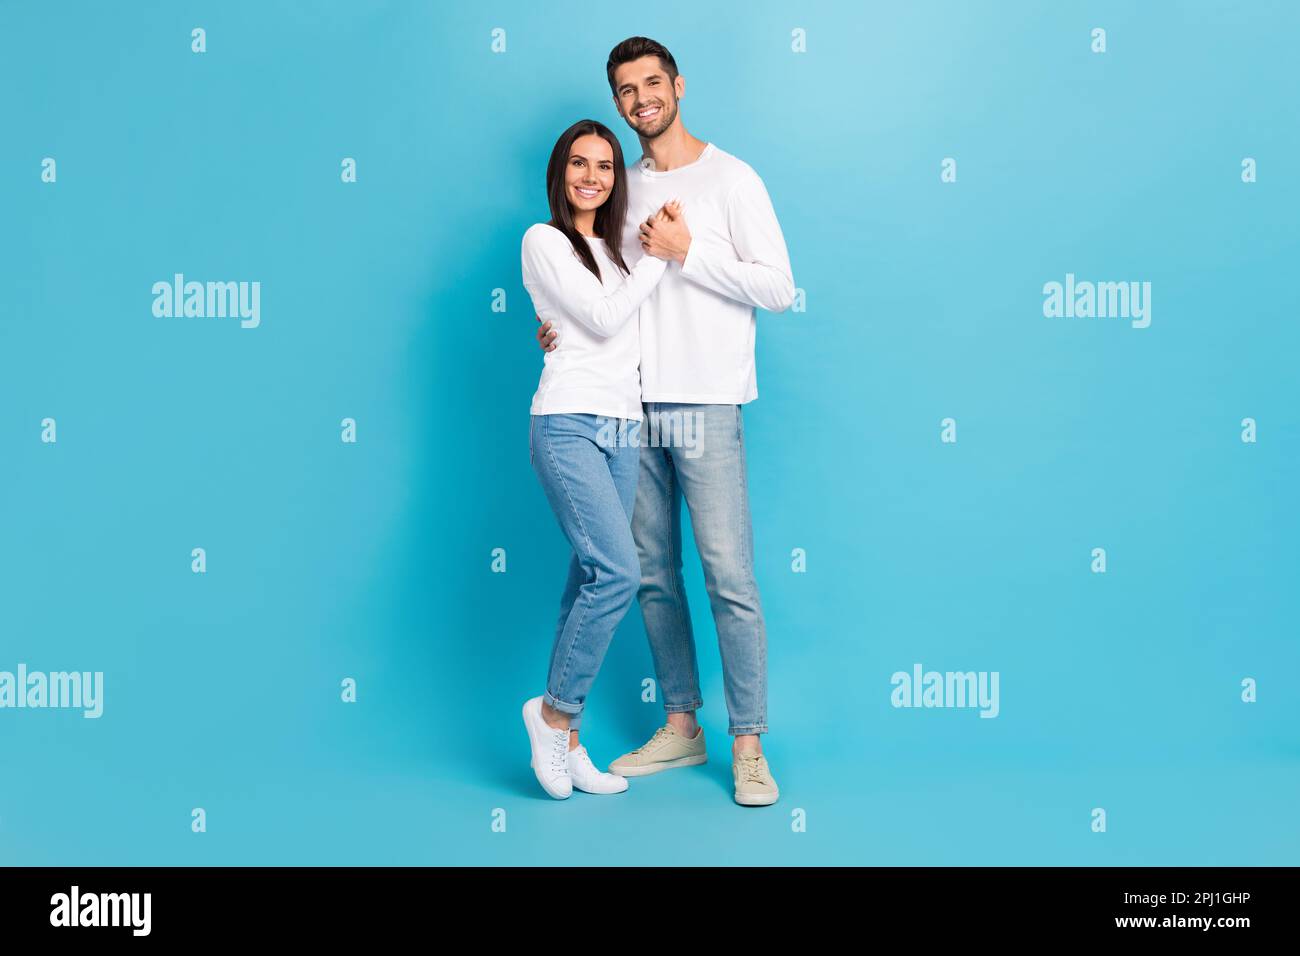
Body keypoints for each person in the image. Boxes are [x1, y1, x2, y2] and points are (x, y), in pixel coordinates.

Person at [536, 38, 795, 806]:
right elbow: (599, 292)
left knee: (728, 574)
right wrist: (552, 326)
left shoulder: (732, 178)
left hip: (707, 399)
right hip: (626, 409)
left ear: (678, 86)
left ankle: (748, 744)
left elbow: (779, 287)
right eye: (626, 89)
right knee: (650, 574)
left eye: (653, 83)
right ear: (618, 103)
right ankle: (683, 725)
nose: (642, 97)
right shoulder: (621, 189)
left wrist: (688, 252)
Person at [519, 118, 680, 800]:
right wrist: (662, 259)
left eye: (606, 166)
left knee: (587, 576)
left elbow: (616, 331)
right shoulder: (543, 239)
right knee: (618, 573)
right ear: (560, 174)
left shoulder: (615, 250)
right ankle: (551, 714)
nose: (592, 176)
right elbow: (607, 320)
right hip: (568, 423)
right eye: (579, 164)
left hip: (624, 427)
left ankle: (572, 740)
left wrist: (644, 261)